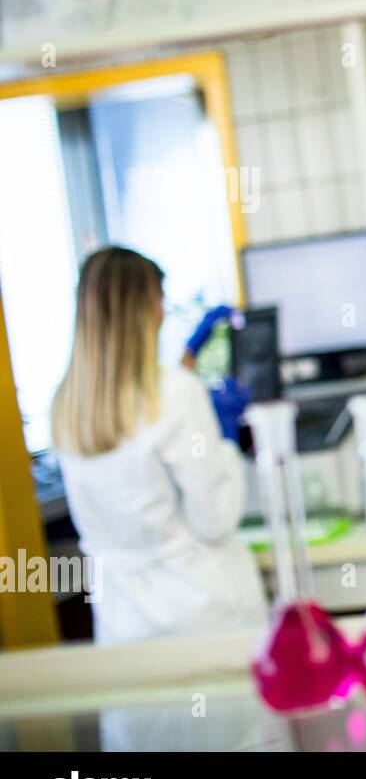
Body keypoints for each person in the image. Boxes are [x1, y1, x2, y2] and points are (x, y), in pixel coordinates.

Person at [51, 247, 267, 645]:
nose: (163, 312)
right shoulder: (176, 393)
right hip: (203, 616)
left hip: (125, 625)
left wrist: (188, 363)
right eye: (158, 300)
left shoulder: (69, 404)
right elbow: (215, 519)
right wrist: (225, 441)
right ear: (144, 308)